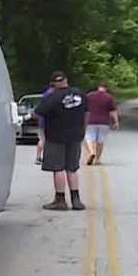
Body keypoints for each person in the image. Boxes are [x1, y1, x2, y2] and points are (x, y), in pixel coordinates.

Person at [34, 71, 88, 210]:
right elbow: (87, 112)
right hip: (75, 136)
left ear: (53, 84)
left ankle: (60, 200)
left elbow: (38, 112)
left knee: (58, 169)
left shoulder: (52, 97)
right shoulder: (80, 94)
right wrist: (83, 129)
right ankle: (76, 200)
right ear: (66, 80)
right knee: (72, 169)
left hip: (55, 137)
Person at [84, 82, 120, 165]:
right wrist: (116, 122)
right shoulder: (109, 97)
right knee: (100, 141)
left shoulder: (89, 95)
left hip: (91, 121)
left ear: (98, 87)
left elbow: (84, 108)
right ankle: (97, 159)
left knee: (89, 138)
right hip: (104, 122)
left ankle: (92, 152)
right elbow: (113, 111)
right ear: (106, 88)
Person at [36, 81, 55, 166]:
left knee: (42, 139)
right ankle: (49, 157)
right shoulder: (54, 95)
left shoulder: (45, 95)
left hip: (42, 121)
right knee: (51, 140)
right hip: (51, 122)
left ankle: (38, 157)